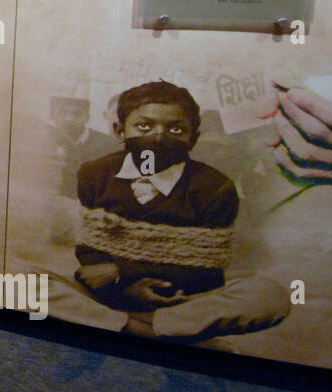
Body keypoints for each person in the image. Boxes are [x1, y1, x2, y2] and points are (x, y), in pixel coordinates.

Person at [73, 80, 288, 340]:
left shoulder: (215, 187)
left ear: (193, 139)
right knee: (26, 280)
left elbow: (207, 269)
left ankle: (128, 325)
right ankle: (149, 330)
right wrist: (126, 287)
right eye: (144, 125)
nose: (159, 137)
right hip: (111, 291)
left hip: (180, 297)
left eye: (175, 128)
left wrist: (126, 273)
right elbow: (90, 248)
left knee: (270, 296)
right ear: (120, 131)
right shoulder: (95, 173)